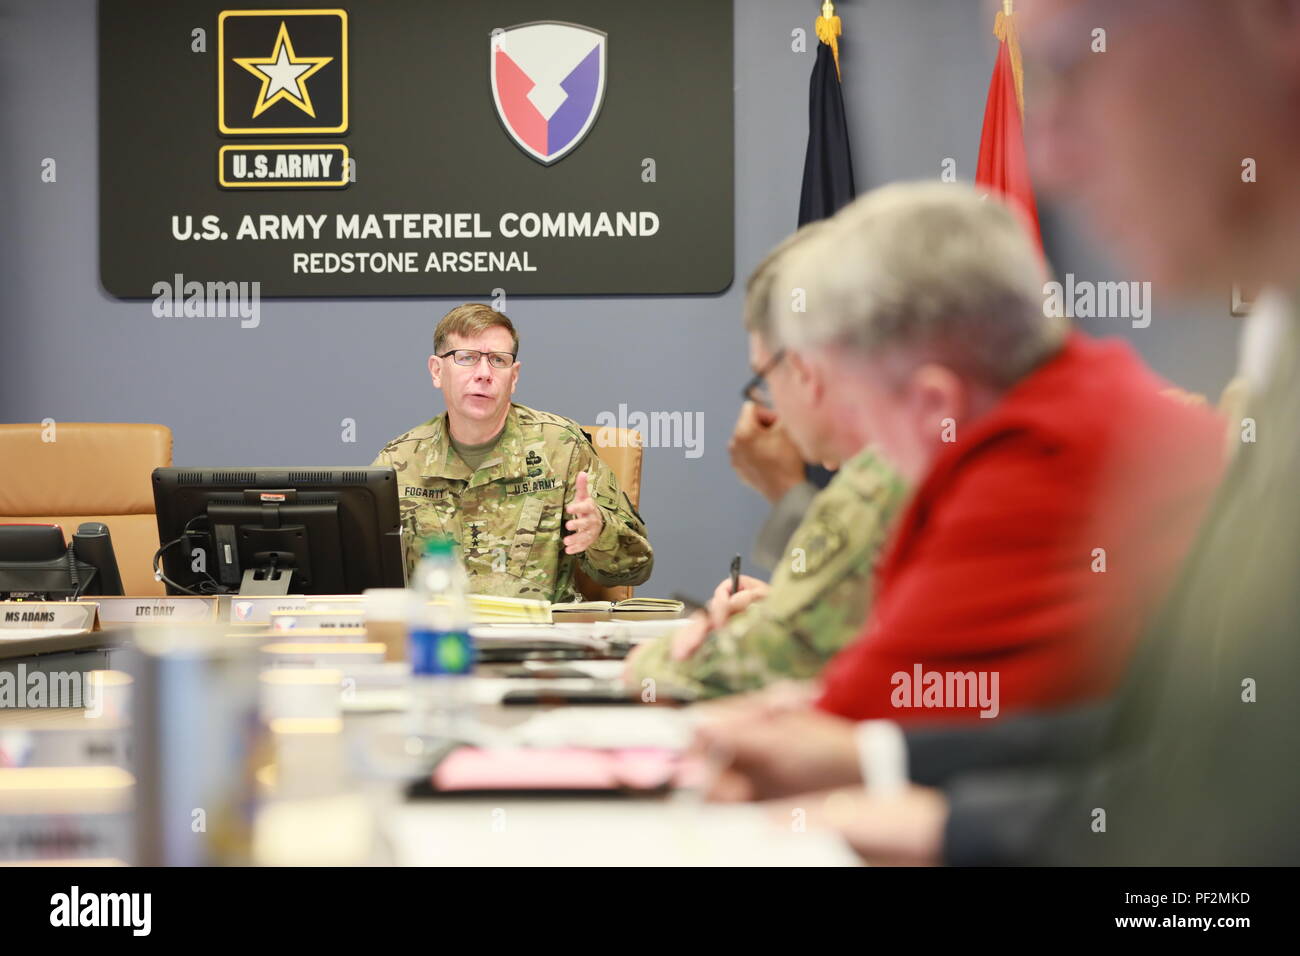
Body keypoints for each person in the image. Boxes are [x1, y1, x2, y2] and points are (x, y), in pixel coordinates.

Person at [702, 0, 1300, 866]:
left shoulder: (1044, 447)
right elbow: (1185, 758)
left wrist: (944, 823)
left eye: (1069, 67)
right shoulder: (1270, 357)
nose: (1048, 156)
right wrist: (878, 762)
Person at [624, 226, 909, 698]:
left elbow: (764, 664)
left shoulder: (887, 471)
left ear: (803, 369)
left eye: (765, 380)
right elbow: (874, 626)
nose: (767, 404)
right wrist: (779, 606)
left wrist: (652, 662)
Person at [373, 303, 652, 602]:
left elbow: (635, 568)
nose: (484, 373)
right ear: (437, 371)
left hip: (538, 641)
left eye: (498, 360)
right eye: (466, 358)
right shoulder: (398, 464)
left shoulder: (561, 448)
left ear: (514, 376)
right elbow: (364, 579)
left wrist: (599, 533)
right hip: (438, 637)